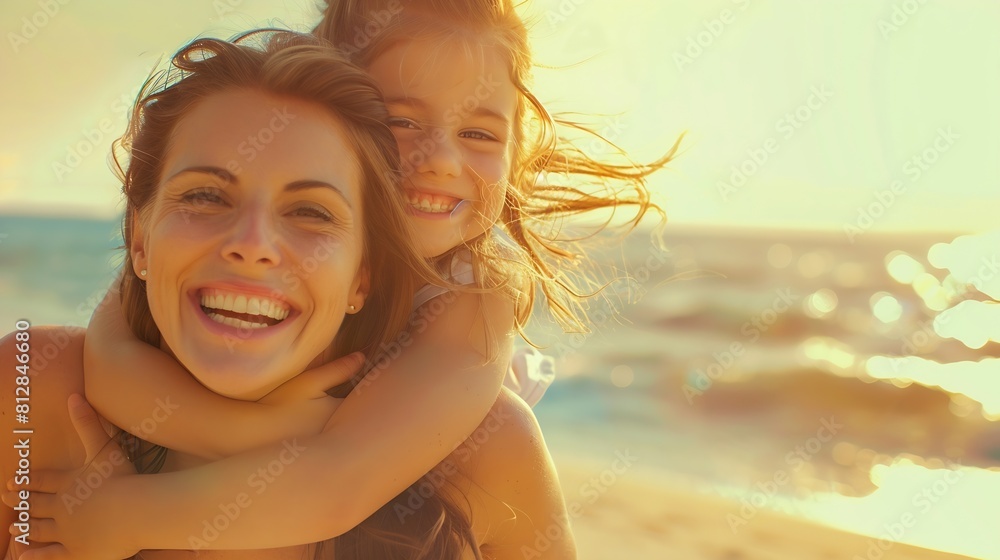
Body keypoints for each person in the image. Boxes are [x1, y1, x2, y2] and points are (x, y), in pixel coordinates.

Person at [10, 0, 681, 556]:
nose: (441, 160)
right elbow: (111, 358)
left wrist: (128, 515)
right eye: (401, 121)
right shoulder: (37, 382)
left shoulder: (472, 329)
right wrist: (266, 426)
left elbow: (343, 477)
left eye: (480, 134)